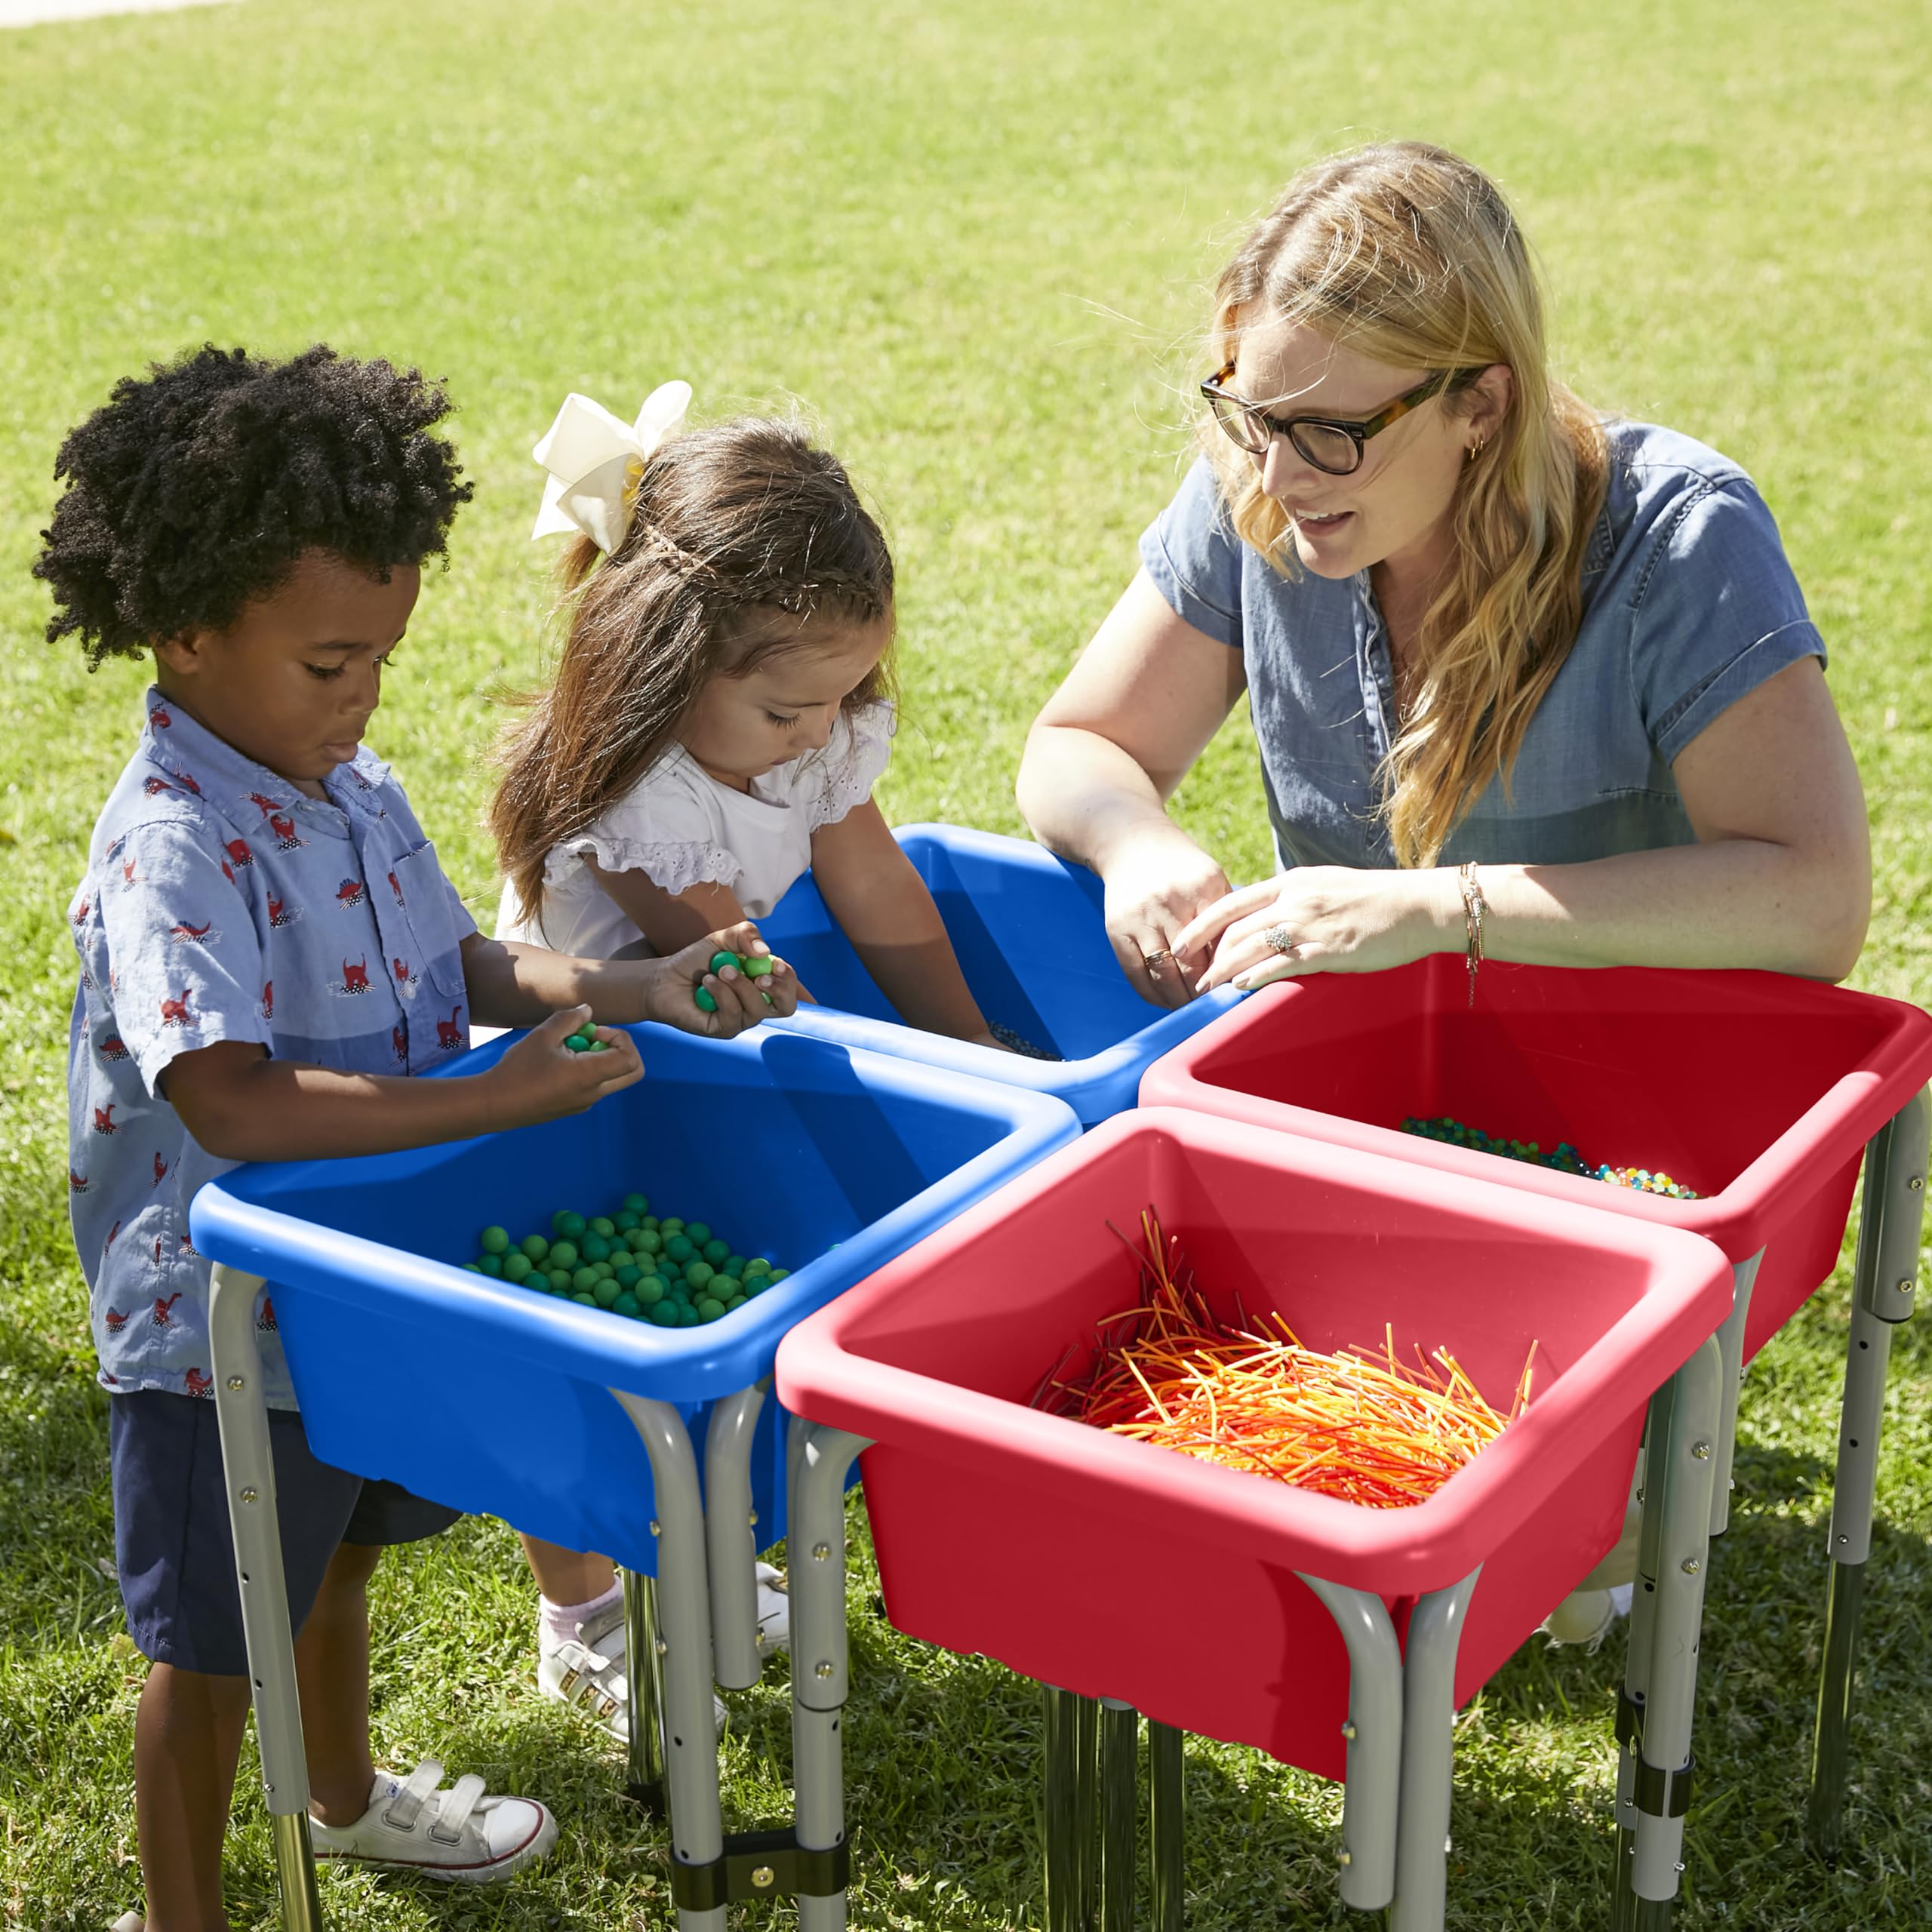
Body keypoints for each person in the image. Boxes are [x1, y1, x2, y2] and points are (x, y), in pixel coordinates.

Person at [1015, 140, 1870, 1641]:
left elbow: (1810, 896)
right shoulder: (1266, 493)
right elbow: (1079, 744)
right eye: (1249, 415)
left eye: (1330, 432)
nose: (1277, 479)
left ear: (1478, 403)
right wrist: (1134, 845)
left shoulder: (1676, 536)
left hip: (1619, 1139)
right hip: (1369, 1111)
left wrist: (1444, 902)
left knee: (1558, 1583)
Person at [41, 345, 795, 1931]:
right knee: (209, 1643)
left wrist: (634, 981)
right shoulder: (173, 842)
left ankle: (339, 1797)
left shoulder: (347, 778)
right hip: (212, 1326)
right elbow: (229, 1098)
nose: (364, 694)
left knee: (334, 1560)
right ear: (184, 634)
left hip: (350, 1291)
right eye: (330, 663)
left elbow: (460, 962)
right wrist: (485, 1099)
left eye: (378, 656)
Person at [488, 386, 1011, 1735]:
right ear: (670, 665)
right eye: (791, 709)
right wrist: (901, 1079)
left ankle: (703, 1555)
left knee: (700, 1306)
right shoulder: (632, 794)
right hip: (586, 1068)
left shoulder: (802, 737)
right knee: (591, 1345)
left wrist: (982, 1049)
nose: (823, 734)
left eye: (845, 698)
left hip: (707, 1055)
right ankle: (583, 1612)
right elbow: (723, 959)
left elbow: (883, 891)